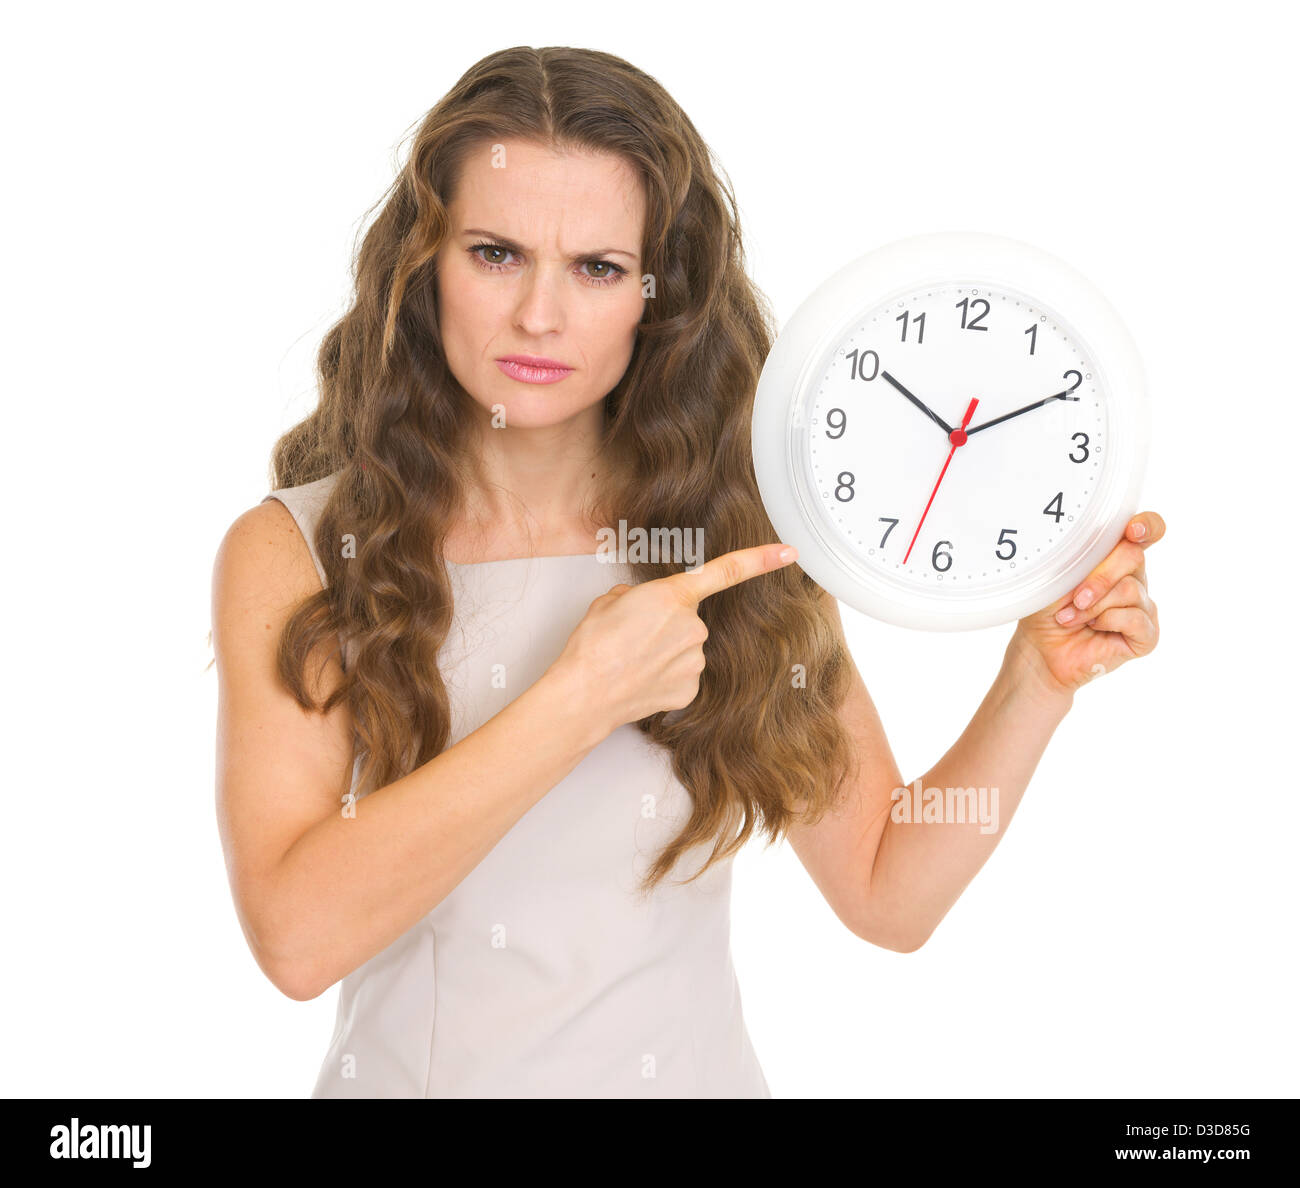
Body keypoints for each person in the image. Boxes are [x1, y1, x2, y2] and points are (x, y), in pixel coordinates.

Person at [210, 45, 1165, 1099]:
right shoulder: (298, 549)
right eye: (494, 253)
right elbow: (296, 940)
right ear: (423, 263)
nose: (539, 315)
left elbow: (889, 894)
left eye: (597, 268)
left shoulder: (730, 532)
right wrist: (580, 698)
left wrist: (1034, 683)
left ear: (658, 297)